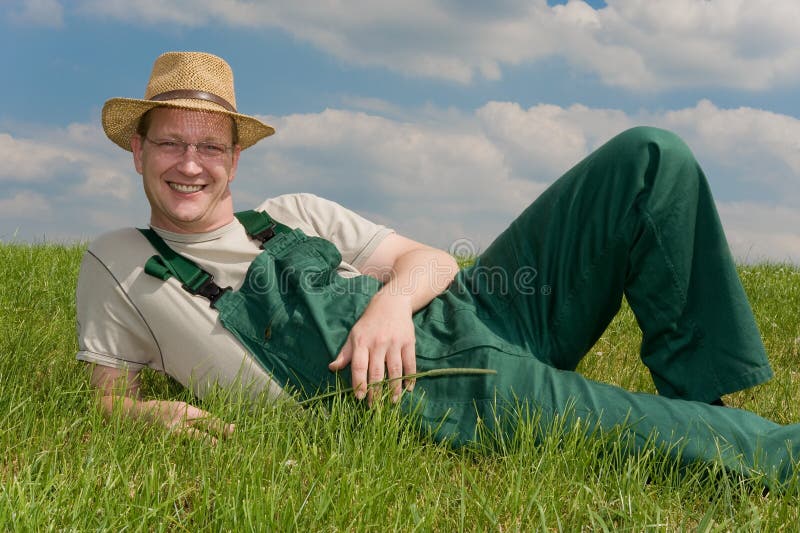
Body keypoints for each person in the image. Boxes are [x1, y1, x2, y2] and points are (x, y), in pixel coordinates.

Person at [77, 51, 795, 485]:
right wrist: (147, 413)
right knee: (631, 427)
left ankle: (704, 401)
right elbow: (109, 398)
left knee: (649, 159)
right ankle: (745, 445)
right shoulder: (119, 263)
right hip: (436, 389)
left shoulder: (292, 210)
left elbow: (427, 262)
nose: (191, 164)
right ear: (137, 151)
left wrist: (390, 304)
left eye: (210, 145)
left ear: (236, 156)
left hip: (480, 309)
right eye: (171, 143)